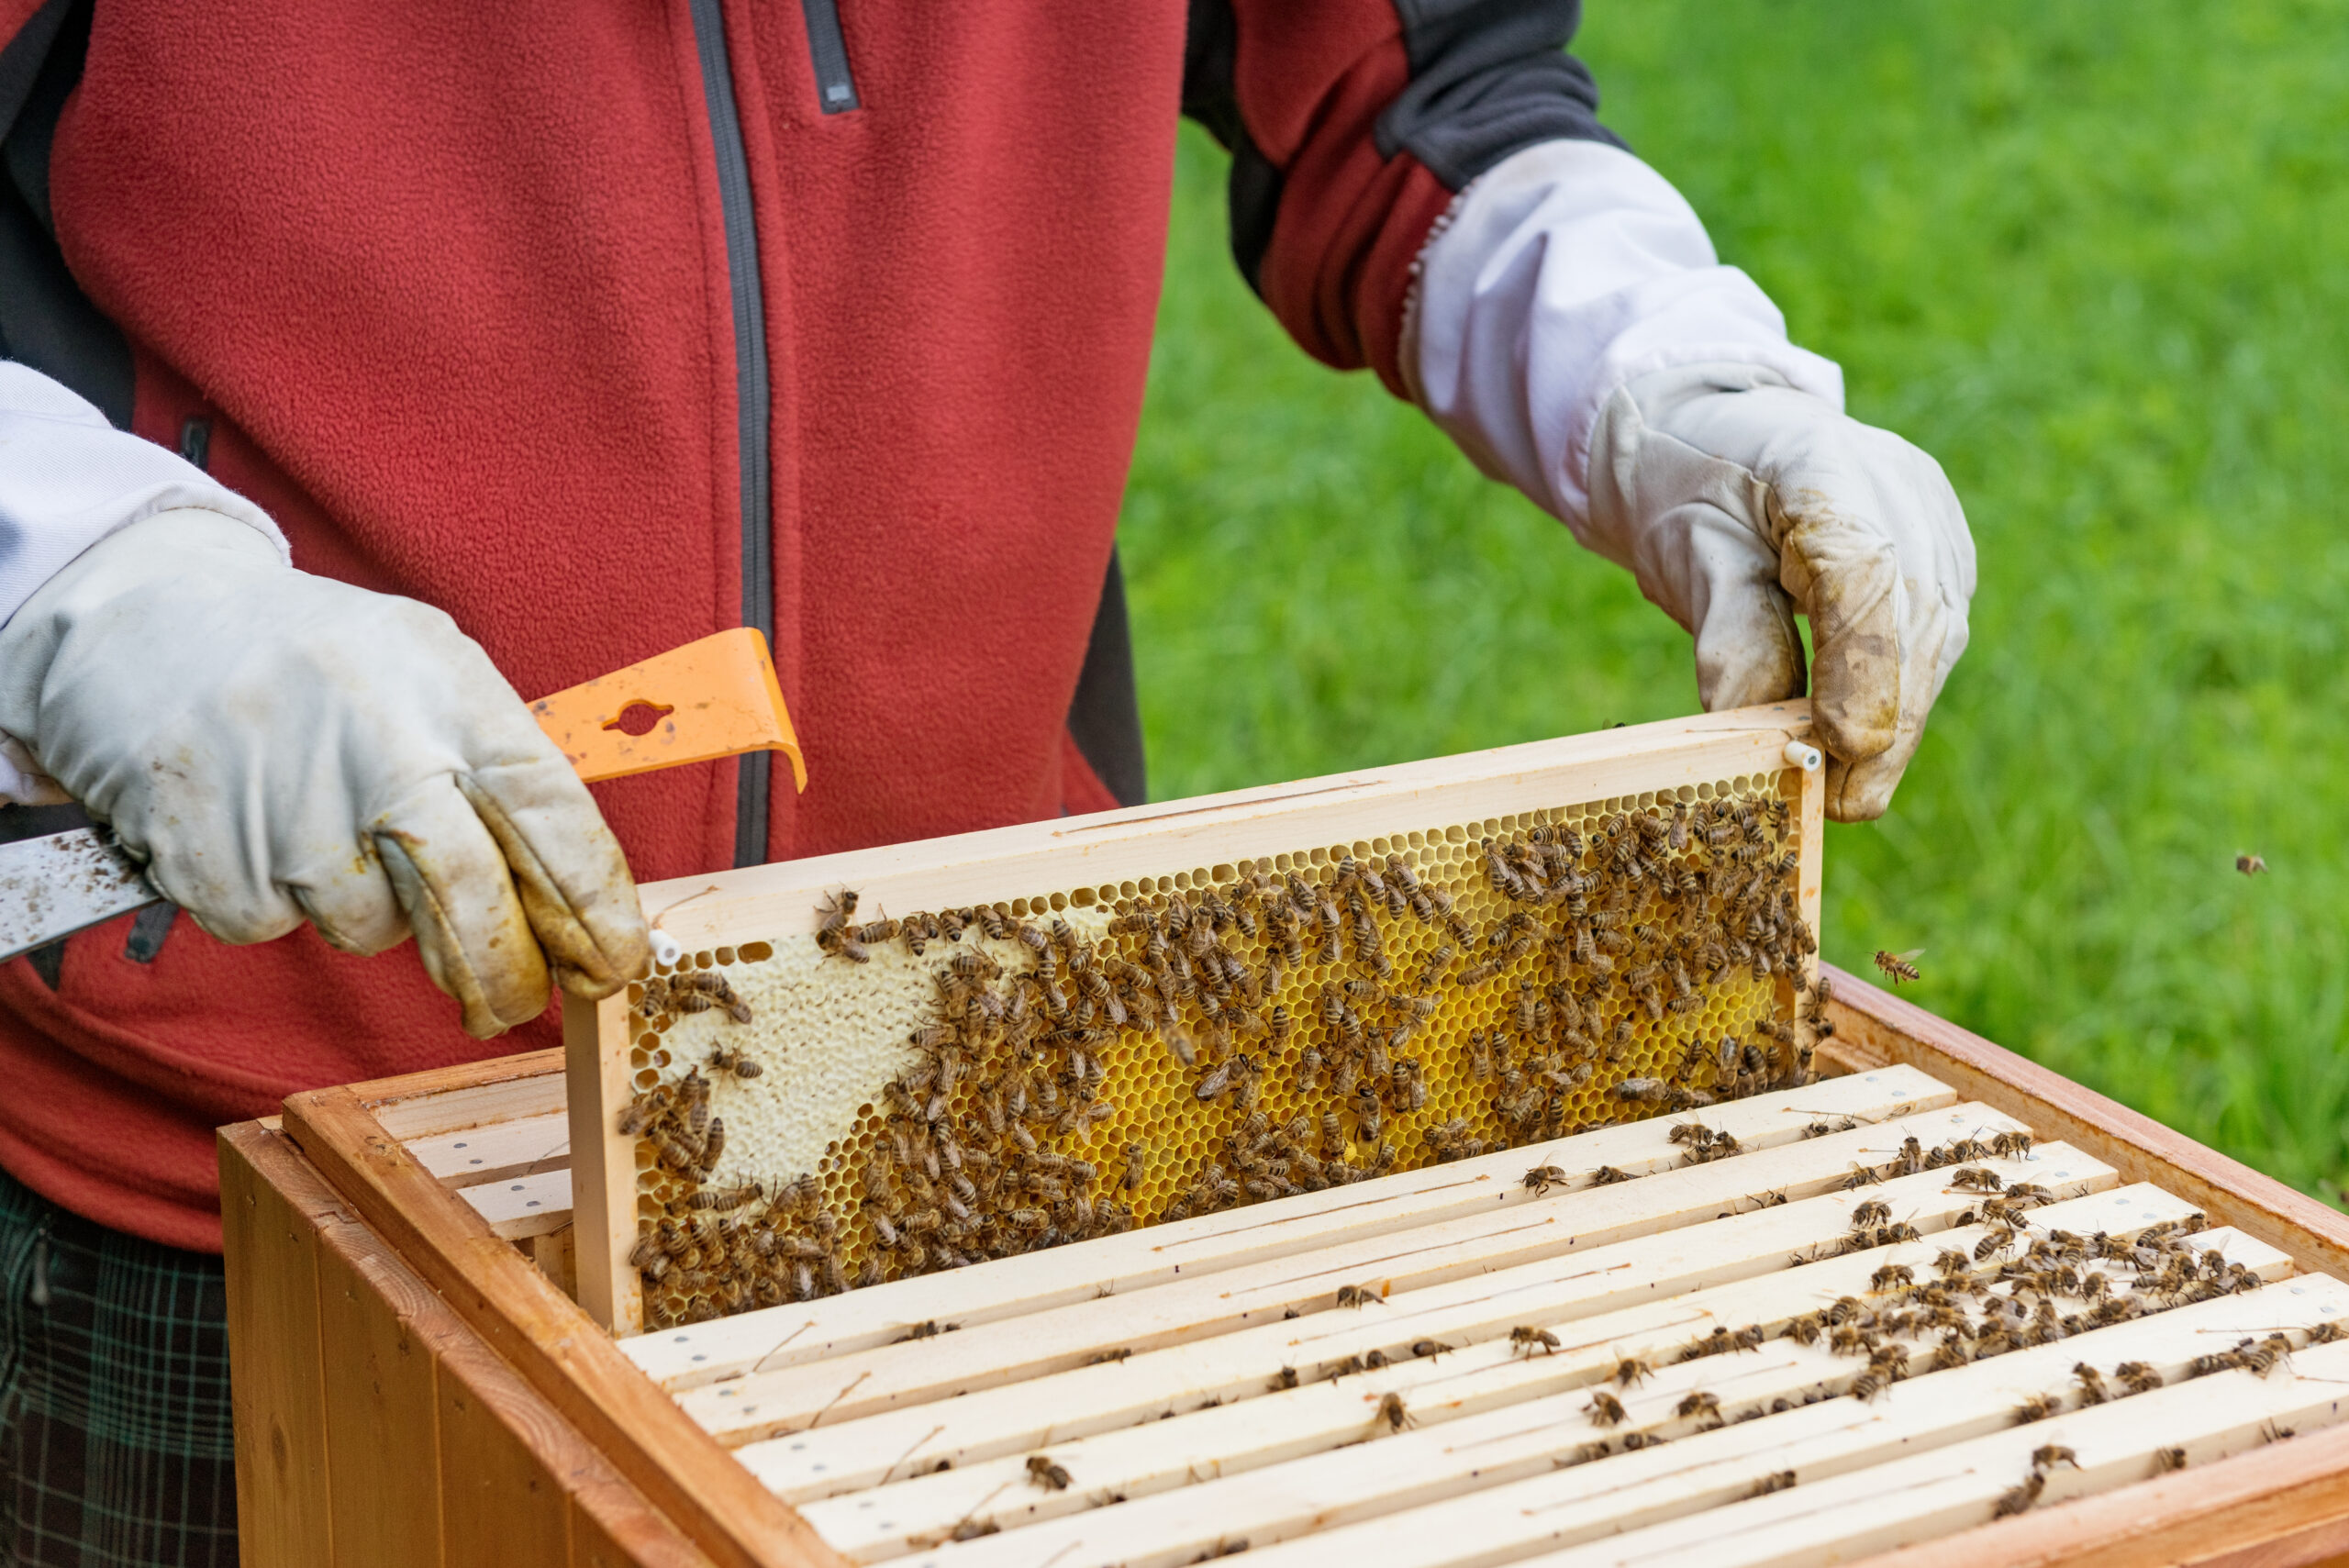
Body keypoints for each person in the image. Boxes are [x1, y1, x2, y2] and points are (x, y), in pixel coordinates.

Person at [0, 1, 1973, 1560]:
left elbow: (1404, 78)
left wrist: (1660, 380)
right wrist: (95, 579)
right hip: (223, 1187)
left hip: (969, 1093)